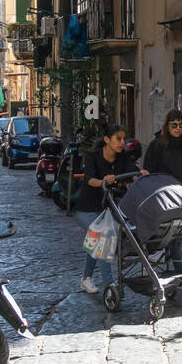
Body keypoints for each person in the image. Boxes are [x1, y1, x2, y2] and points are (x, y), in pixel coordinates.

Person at [76, 123, 129, 295]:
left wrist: (139, 174)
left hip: (107, 209)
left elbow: (132, 170)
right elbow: (89, 179)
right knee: (102, 238)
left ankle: (85, 279)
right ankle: (109, 284)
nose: (122, 142)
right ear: (107, 140)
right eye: (118, 139)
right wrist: (103, 182)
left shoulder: (122, 157)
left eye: (123, 139)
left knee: (95, 241)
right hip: (86, 208)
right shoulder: (93, 156)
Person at [142, 109, 182, 268]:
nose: (178, 128)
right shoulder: (157, 144)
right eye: (174, 125)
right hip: (163, 196)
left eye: (181, 125)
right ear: (167, 126)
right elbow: (148, 169)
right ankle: (171, 267)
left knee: (177, 234)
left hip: (181, 194)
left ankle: (177, 270)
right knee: (168, 234)